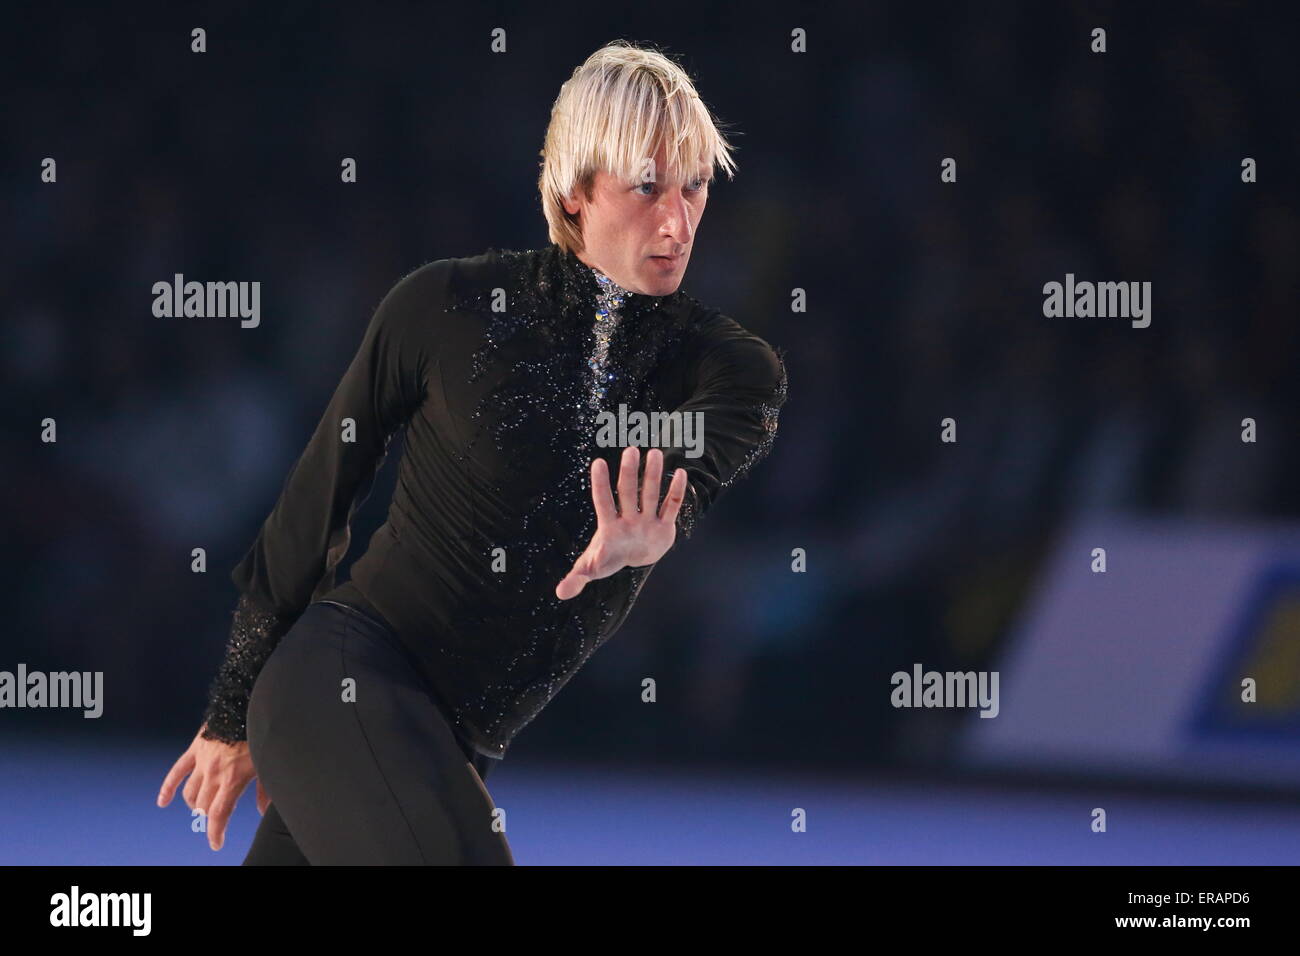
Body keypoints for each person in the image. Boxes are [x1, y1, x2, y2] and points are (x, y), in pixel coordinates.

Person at [156, 40, 789, 865]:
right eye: (646, 186)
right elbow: (316, 503)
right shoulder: (444, 307)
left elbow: (694, 469)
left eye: (694, 185)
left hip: (439, 746)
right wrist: (233, 708)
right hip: (340, 682)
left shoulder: (731, 369)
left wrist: (658, 527)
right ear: (574, 189)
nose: (676, 221)